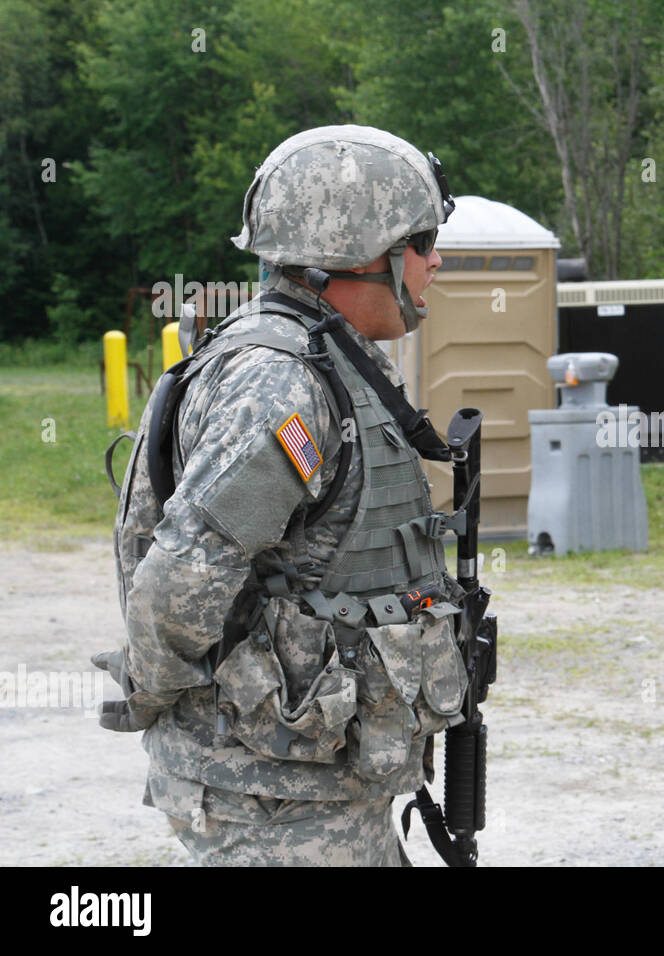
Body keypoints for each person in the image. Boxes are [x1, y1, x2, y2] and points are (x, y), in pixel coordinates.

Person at [96, 125, 468, 866]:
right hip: (270, 801)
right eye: (423, 241)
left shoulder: (327, 358)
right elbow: (180, 585)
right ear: (363, 253)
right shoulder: (282, 382)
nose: (435, 262)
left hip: (311, 782)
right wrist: (177, 705)